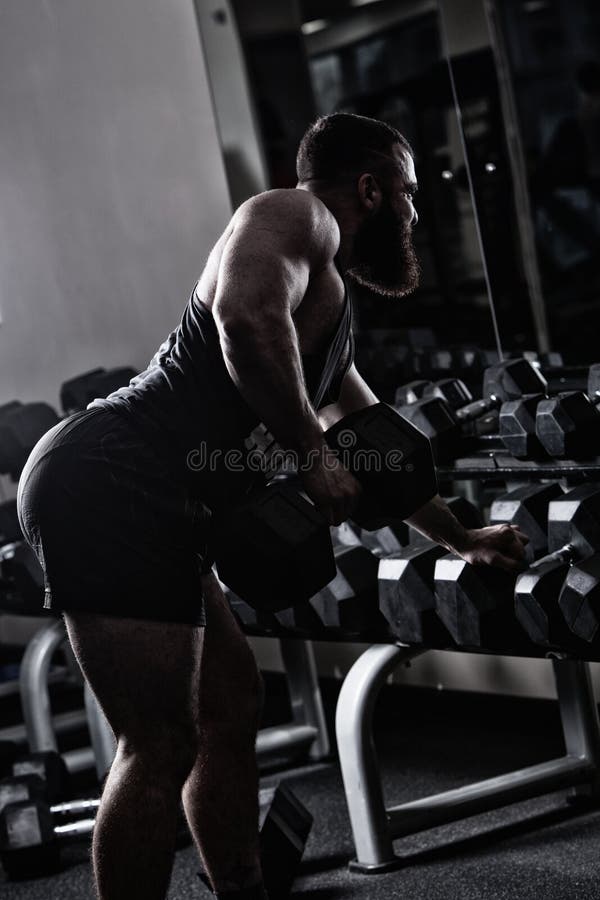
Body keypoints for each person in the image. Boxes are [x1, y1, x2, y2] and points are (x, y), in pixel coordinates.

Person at [17, 113, 528, 900]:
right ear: (372, 189)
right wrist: (312, 454)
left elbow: (377, 448)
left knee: (228, 706)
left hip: (164, 501)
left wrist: (460, 536)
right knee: (158, 742)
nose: (416, 213)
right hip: (111, 477)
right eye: (410, 194)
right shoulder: (294, 214)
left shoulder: (329, 311)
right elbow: (243, 319)